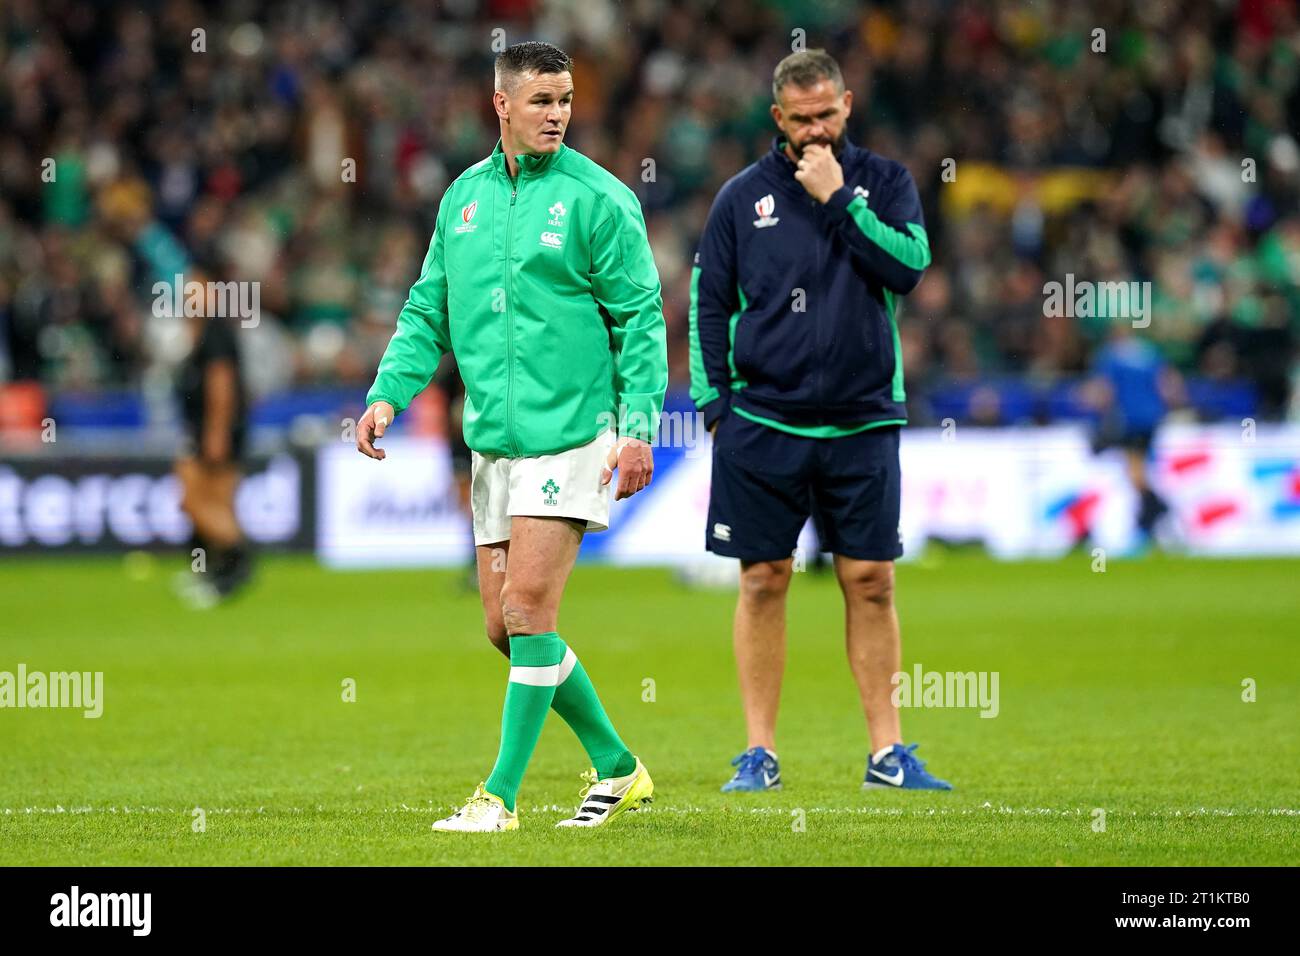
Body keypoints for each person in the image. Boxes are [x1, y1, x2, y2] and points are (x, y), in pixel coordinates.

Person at [356, 42, 667, 832]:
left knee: (528, 609)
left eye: (565, 99)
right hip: (493, 441)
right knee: (504, 627)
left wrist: (637, 429)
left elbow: (639, 320)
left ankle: (498, 797)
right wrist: (389, 394)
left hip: (573, 435)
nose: (557, 113)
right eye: (540, 100)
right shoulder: (462, 198)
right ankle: (620, 768)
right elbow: (429, 309)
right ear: (501, 105)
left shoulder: (600, 199)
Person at [690, 50, 951, 792]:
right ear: (778, 118)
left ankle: (887, 755)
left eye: (827, 114)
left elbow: (908, 268)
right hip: (764, 422)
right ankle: (759, 754)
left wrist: (842, 201)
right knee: (764, 579)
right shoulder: (742, 198)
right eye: (801, 119)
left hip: (863, 418)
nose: (816, 131)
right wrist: (716, 406)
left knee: (870, 580)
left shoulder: (888, 182)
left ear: (848, 104)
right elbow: (709, 301)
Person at [174, 305, 254, 606]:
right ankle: (215, 573)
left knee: (195, 502)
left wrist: (216, 432)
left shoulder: (215, 333)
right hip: (204, 430)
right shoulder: (206, 331)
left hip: (211, 432)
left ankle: (239, 559)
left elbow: (221, 384)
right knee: (215, 503)